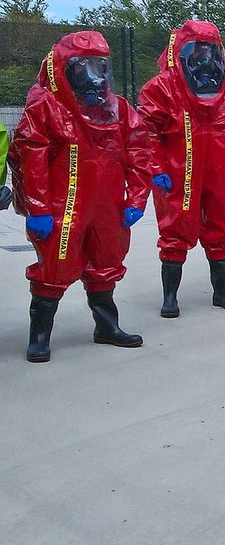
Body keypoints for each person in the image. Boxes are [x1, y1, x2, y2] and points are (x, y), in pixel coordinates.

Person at [10, 30, 157, 362]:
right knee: (54, 267)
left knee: (107, 260)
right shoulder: (46, 106)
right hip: (65, 204)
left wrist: (135, 199)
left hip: (108, 205)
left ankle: (107, 327)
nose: (93, 76)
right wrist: (38, 208)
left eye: (99, 66)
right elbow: (32, 158)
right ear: (65, 69)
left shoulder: (117, 108)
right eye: (83, 67)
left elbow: (140, 153)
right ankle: (40, 336)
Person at [137, 20, 225, 318]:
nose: (204, 59)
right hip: (177, 172)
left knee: (222, 224)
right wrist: (156, 168)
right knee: (175, 228)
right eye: (197, 51)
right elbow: (145, 132)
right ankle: (170, 297)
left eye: (210, 51)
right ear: (182, 52)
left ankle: (222, 290)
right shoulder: (162, 88)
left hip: (219, 172)